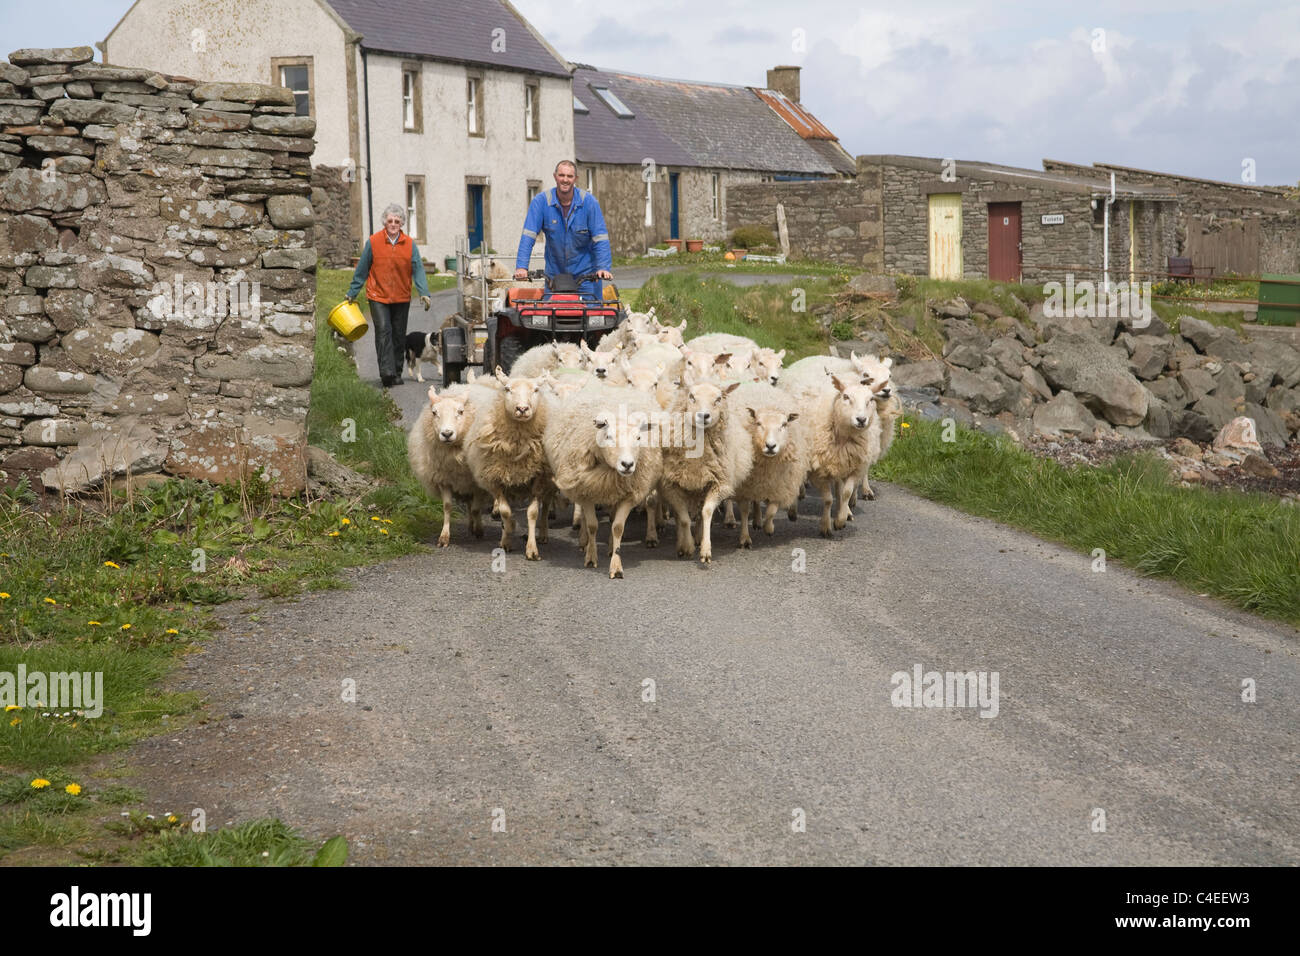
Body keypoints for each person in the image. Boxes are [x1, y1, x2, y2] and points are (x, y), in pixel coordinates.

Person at [347, 204, 432, 388]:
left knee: (399, 335)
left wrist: (424, 293)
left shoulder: (409, 244)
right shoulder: (374, 241)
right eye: (390, 220)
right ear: (384, 222)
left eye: (397, 221)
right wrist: (353, 292)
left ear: (401, 223)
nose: (393, 224)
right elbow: (362, 269)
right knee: (384, 331)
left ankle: (396, 372)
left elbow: (418, 269)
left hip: (401, 296)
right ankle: (386, 372)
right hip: (378, 296)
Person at [514, 160, 613, 300]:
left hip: (586, 276)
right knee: (552, 317)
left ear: (576, 179)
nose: (565, 180)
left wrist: (603, 267)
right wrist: (522, 267)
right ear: (555, 176)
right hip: (554, 276)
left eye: (569, 176)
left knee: (592, 317)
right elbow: (528, 236)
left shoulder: (589, 203)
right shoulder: (541, 202)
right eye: (561, 175)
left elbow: (600, 238)